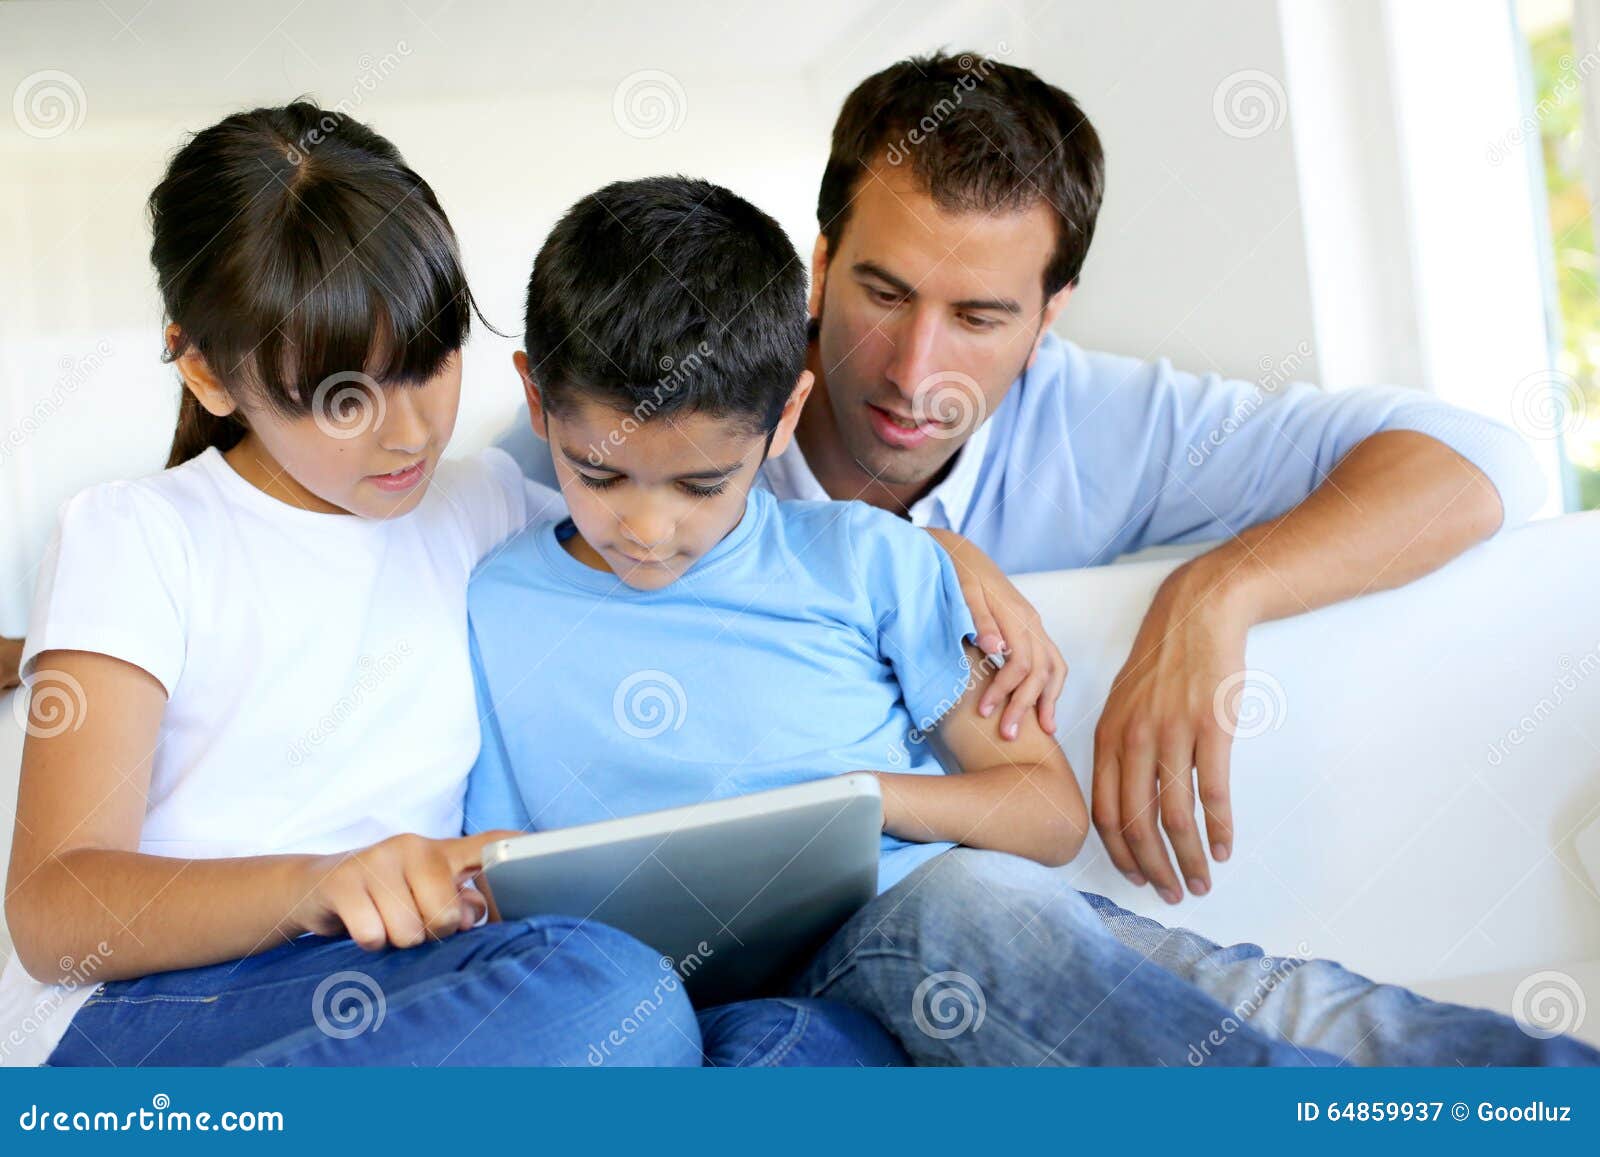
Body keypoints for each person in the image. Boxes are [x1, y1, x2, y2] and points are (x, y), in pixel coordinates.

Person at [466, 173, 1597, 1066]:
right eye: (599, 475)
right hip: (702, 1000)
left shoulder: (870, 561)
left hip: (927, 916)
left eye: (702, 485)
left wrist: (843, 810)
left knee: (1260, 997)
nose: (648, 529)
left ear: (785, 414)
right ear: (535, 404)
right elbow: (496, 881)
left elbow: (1046, 813)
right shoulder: (487, 594)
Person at [496, 53, 1549, 906]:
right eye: (882, 293)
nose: (914, 373)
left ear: (1049, 315)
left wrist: (1214, 594)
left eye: (980, 317)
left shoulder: (1108, 423)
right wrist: (924, 553)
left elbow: (1479, 464)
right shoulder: (659, 411)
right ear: (819, 265)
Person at [0, 103, 904, 1069]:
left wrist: (946, 558)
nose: (407, 433)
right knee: (606, 997)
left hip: (420, 988)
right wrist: (320, 884)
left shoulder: (483, 507)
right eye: (341, 396)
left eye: (429, 363)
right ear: (208, 371)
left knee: (819, 1039)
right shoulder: (137, 533)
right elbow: (56, 910)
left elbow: (662, 494)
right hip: (151, 1016)